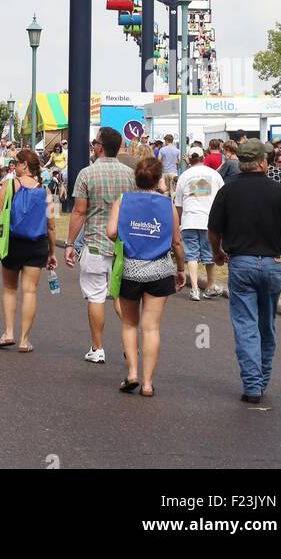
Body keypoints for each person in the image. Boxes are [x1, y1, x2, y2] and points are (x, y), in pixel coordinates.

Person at [207, 139, 281, 404]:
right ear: (262, 162)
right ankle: (262, 379)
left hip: (241, 262)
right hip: (271, 262)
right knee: (266, 324)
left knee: (246, 324)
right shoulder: (278, 191)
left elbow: (213, 229)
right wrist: (278, 235)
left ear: (241, 162)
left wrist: (217, 252)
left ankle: (252, 385)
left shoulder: (228, 190)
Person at [107, 157, 186, 396]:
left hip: (130, 269)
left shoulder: (123, 200)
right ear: (158, 179)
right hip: (159, 270)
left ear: (136, 178)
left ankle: (132, 373)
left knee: (130, 324)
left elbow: (111, 232)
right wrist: (180, 268)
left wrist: (128, 236)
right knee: (151, 328)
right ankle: (148, 383)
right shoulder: (167, 204)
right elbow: (176, 241)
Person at [64, 127, 135, 363]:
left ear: (99, 147)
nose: (93, 146)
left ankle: (97, 348)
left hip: (95, 243)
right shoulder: (130, 175)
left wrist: (70, 243)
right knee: (120, 296)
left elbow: (79, 211)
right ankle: (131, 342)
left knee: (96, 296)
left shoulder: (87, 174)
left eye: (95, 142)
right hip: (123, 245)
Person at [0, 148, 57, 353]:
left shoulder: (10, 185)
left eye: (16, 163)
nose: (14, 166)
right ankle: (24, 340)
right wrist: (52, 252)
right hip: (37, 245)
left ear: (24, 165)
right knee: (30, 291)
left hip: (13, 243)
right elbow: (51, 225)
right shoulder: (46, 191)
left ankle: (8, 332)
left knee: (9, 288)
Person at [174, 148, 225, 301]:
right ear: (204, 157)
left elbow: (178, 204)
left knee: (192, 255)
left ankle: (195, 289)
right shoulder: (214, 174)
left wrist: (179, 221)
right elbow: (223, 197)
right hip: (209, 220)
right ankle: (210, 286)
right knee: (210, 254)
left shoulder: (184, 176)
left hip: (189, 219)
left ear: (189, 159)